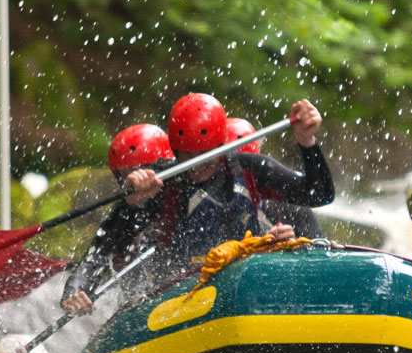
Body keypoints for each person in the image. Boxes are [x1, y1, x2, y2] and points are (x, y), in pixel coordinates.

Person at [59, 93, 334, 313]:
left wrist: (307, 142)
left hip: (248, 284)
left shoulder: (250, 168)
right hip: (184, 296)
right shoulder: (162, 182)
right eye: (186, 155)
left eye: (205, 155)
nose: (196, 165)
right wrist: (76, 288)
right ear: (174, 149)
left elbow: (319, 194)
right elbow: (105, 246)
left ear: (220, 145)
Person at [59, 124, 176, 313]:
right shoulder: (126, 211)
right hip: (151, 302)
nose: (133, 182)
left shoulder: (187, 184)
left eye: (138, 171)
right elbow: (94, 258)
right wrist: (72, 294)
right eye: (124, 176)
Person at [225, 117, 325, 239]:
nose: (236, 183)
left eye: (240, 174)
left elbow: (317, 246)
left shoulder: (285, 199)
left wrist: (289, 245)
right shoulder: (210, 200)